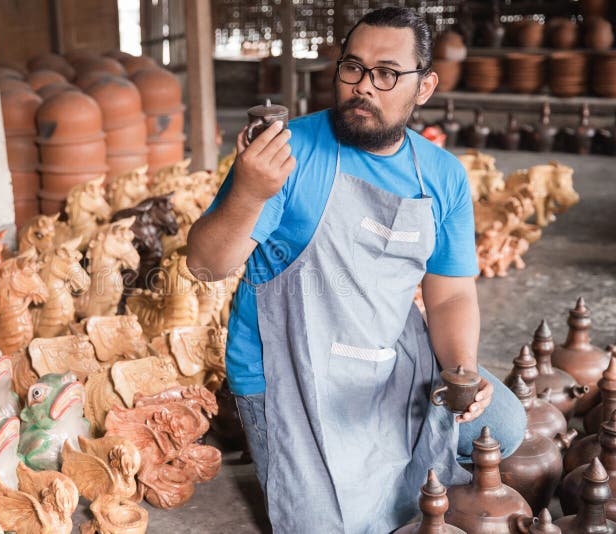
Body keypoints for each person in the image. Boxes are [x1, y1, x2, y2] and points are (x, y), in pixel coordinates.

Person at [186, 6, 526, 533]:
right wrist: (249, 192)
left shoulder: (441, 175)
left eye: (387, 73)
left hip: (390, 353)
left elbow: (450, 296)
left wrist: (461, 369)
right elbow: (204, 266)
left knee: (502, 425)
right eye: (353, 67)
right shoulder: (285, 153)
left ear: (425, 86)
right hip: (291, 369)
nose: (364, 86)